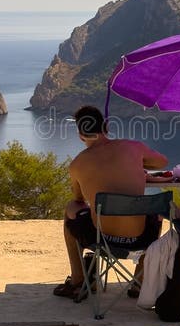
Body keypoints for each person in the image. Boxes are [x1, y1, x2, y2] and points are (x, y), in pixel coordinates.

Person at [54, 105, 168, 301]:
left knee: (71, 209)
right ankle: (139, 282)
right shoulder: (133, 147)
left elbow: (78, 199)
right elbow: (162, 163)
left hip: (101, 239)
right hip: (140, 238)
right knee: (155, 212)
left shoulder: (77, 165)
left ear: (81, 135)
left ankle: (78, 280)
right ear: (106, 127)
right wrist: (136, 166)